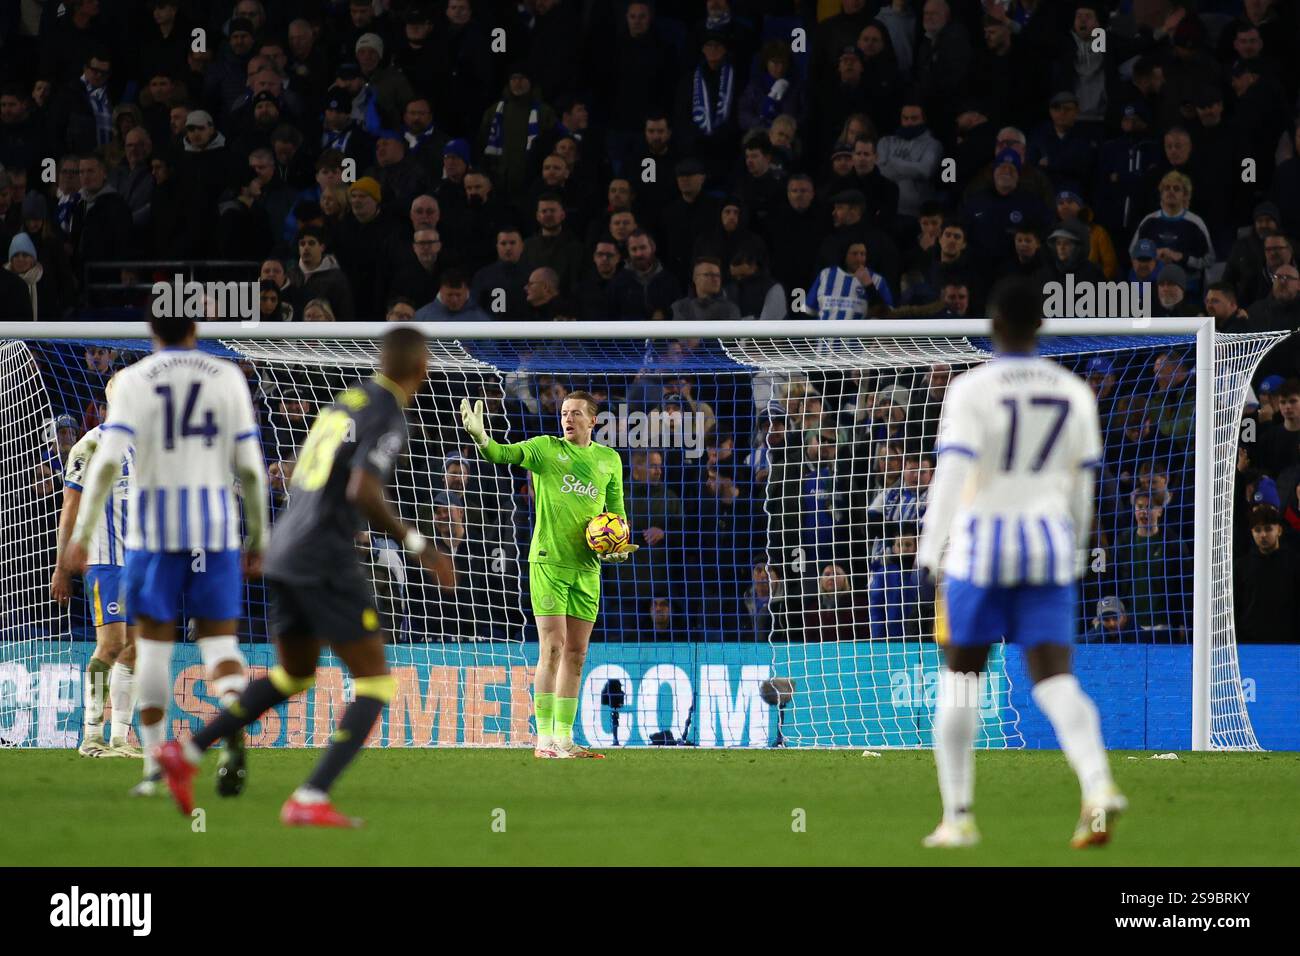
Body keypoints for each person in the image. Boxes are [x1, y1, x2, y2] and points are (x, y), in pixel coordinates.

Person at [156, 328, 436, 826]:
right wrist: (419, 546)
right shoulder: (388, 414)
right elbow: (363, 490)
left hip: (284, 549)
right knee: (374, 683)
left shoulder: (343, 403)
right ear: (422, 367)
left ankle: (189, 751)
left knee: (294, 674)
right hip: (323, 554)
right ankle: (310, 798)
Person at [916, 277, 1125, 849]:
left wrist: (929, 551)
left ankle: (957, 818)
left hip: (981, 549)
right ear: (1041, 326)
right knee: (1056, 679)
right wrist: (1075, 551)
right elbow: (1084, 488)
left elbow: (952, 474)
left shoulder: (971, 389)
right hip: (1048, 546)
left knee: (960, 682)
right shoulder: (1073, 392)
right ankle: (1099, 785)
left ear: (994, 324)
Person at [61, 316, 268, 799]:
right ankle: (225, 724)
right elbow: (250, 468)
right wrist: (259, 536)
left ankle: (154, 762)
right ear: (195, 333)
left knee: (149, 647)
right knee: (216, 646)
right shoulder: (226, 378)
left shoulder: (138, 385)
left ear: (153, 336)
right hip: (210, 532)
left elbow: (111, 462)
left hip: (151, 537)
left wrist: (79, 536)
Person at [459, 390, 636, 758]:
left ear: (594, 420)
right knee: (552, 648)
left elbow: (617, 515)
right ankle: (543, 741)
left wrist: (616, 546)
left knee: (577, 652)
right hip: (548, 562)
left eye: (575, 413)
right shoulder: (545, 449)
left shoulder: (609, 460)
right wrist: (482, 438)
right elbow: (503, 455)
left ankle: (565, 739)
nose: (567, 418)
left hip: (587, 567)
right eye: (564, 413)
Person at [53, 374, 139, 758]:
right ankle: (91, 735)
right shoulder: (90, 446)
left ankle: (120, 737)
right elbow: (70, 507)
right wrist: (61, 566)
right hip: (105, 560)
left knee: (136, 648)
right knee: (112, 644)